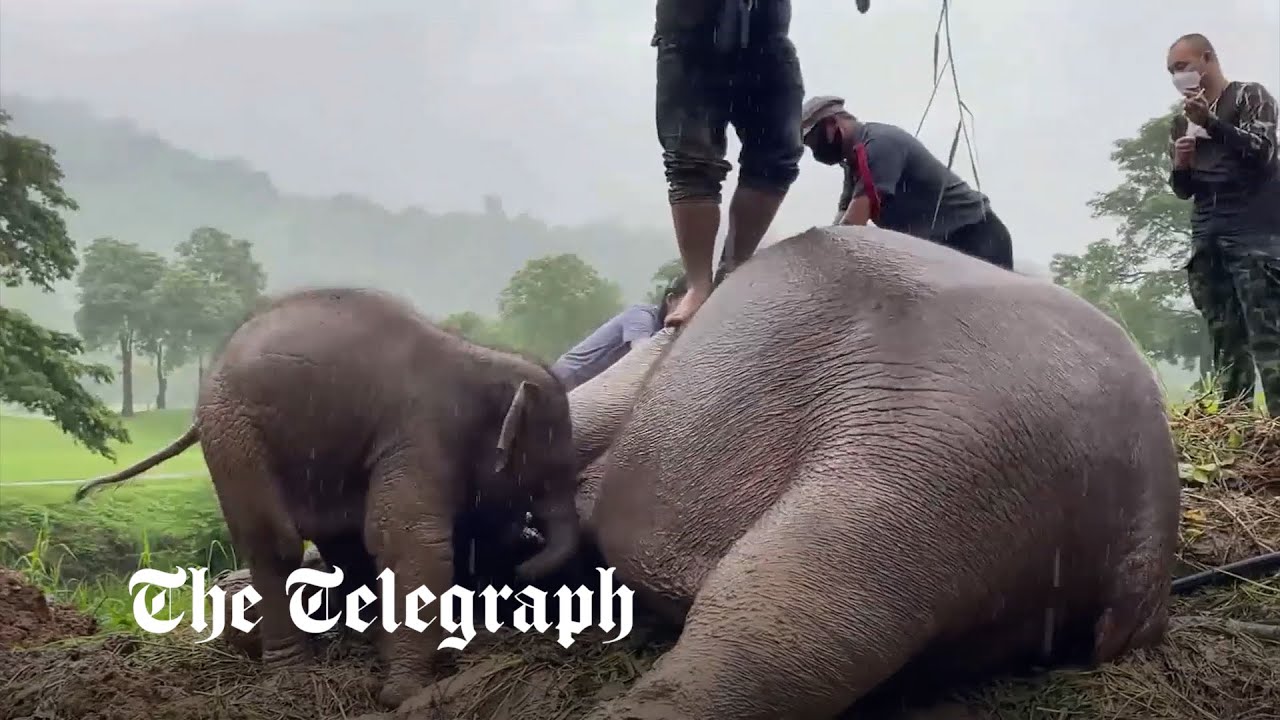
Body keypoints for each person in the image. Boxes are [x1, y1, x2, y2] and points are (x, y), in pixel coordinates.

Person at [653, 0, 806, 327]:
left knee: (778, 155)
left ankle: (734, 267)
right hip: (689, 32)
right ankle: (698, 284)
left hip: (767, 31)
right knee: (690, 159)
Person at [1165, 33, 1280, 416]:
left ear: (1207, 58)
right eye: (1171, 71)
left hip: (1254, 238)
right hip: (1207, 239)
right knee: (1226, 343)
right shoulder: (1180, 122)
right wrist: (1180, 165)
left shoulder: (1251, 96)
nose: (1177, 76)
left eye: (1182, 66)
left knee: (1270, 341)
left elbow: (1262, 153)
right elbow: (1185, 190)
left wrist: (1212, 123)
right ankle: (1238, 436)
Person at [799, 95, 1015, 270]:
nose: (815, 151)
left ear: (832, 124)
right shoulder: (853, 164)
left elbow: (851, 228)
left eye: (814, 142)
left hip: (975, 236)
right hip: (942, 249)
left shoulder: (878, 145)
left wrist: (815, 266)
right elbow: (841, 220)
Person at [549, 275, 688, 391]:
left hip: (592, 388)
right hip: (566, 380)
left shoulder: (663, 330)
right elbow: (643, 354)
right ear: (670, 300)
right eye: (688, 300)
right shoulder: (641, 315)